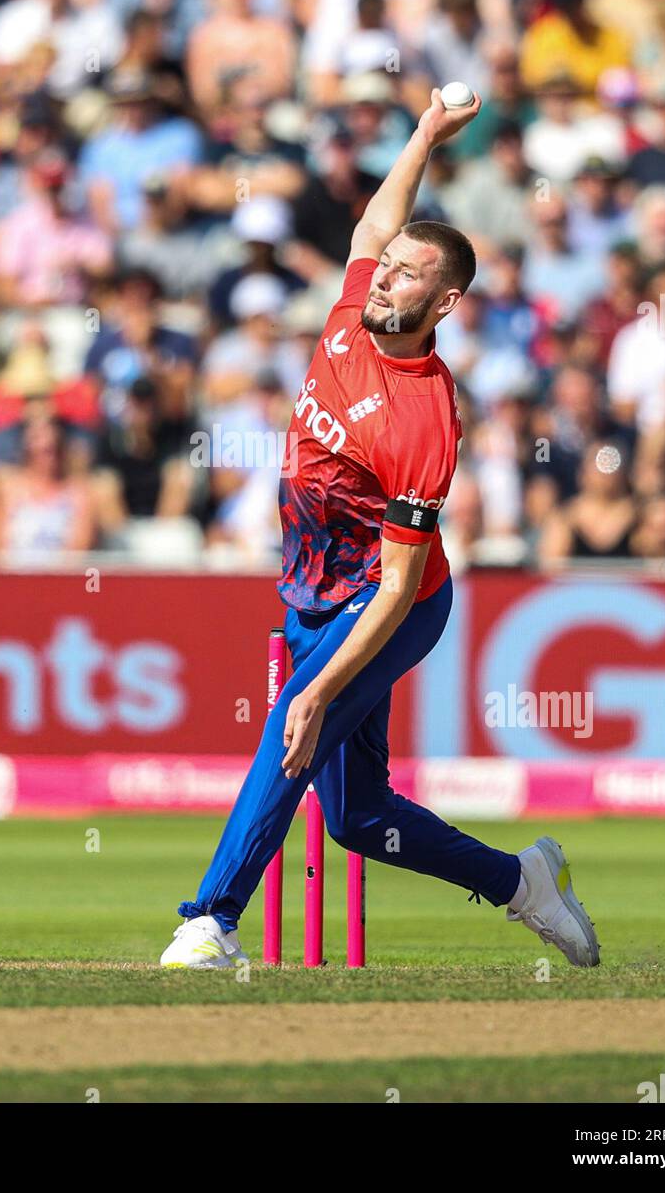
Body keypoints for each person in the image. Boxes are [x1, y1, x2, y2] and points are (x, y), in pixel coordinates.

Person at [160, 91, 600, 970]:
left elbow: (399, 585)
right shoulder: (352, 312)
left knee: (291, 727)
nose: (382, 276)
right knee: (359, 819)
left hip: (388, 602)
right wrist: (427, 133)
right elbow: (373, 223)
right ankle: (522, 884)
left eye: (405, 275)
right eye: (386, 265)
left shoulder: (424, 419)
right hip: (313, 594)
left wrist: (321, 691)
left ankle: (211, 920)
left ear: (444, 304)